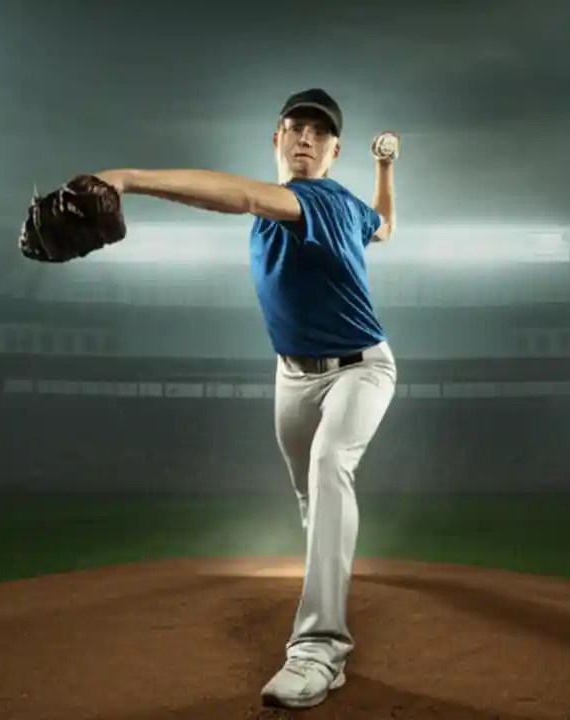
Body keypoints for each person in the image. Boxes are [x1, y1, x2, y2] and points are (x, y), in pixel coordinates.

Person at [90, 88, 398, 710]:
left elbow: (245, 195)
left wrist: (126, 179)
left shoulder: (325, 201)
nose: (305, 138)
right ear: (278, 141)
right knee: (310, 495)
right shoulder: (346, 210)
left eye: (319, 133)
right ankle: (328, 568)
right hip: (291, 377)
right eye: (294, 128)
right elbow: (386, 226)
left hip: (360, 371)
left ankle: (320, 651)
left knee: (329, 464)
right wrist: (388, 169)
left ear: (333, 152)